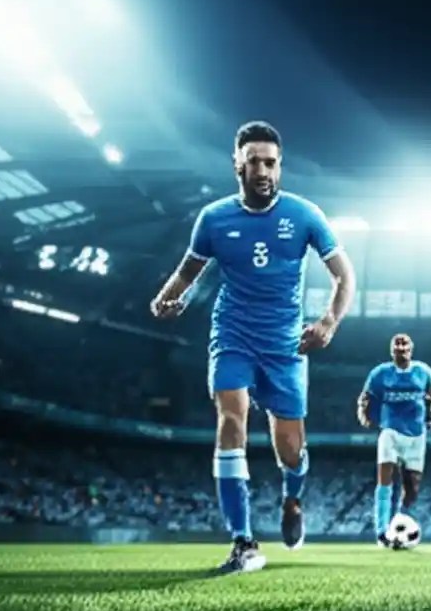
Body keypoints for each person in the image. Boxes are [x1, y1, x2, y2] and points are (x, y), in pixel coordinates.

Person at [150, 121, 356, 573]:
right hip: (233, 335)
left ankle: (292, 499)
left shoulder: (305, 215)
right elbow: (188, 270)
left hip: (286, 346)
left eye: (271, 162)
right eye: (254, 161)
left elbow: (345, 275)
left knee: (289, 449)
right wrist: (169, 296)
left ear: (280, 166)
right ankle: (243, 541)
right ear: (237, 165)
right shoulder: (214, 218)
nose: (263, 170)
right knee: (231, 418)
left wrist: (328, 321)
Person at [358, 333, 431, 547]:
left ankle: (399, 522)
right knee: (385, 480)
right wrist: (364, 414)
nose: (401, 348)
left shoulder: (424, 372)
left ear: (411, 349)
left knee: (412, 489)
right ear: (391, 350)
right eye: (397, 344)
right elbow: (366, 396)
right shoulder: (380, 373)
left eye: (405, 344)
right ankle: (382, 532)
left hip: (416, 434)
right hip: (390, 431)